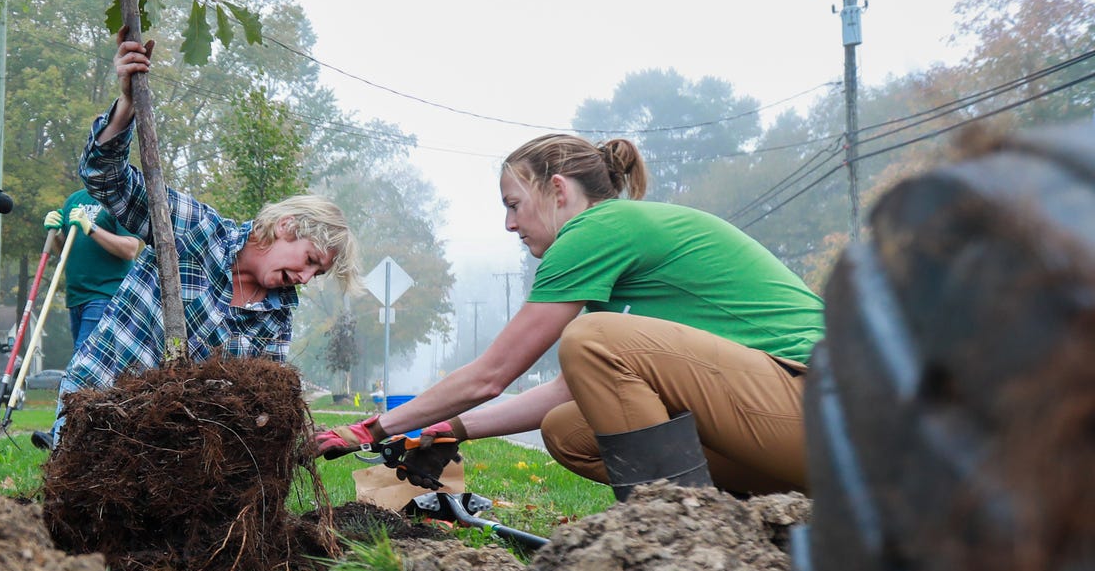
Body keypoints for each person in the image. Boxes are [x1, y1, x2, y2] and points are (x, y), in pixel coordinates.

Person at [315, 133, 824, 496]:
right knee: (570, 429)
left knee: (590, 337)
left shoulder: (598, 229)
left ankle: (677, 545)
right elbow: (570, 388)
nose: (509, 224)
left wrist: (369, 430)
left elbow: (492, 375)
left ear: (557, 190)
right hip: (799, 427)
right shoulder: (618, 252)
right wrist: (454, 428)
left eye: (514, 204)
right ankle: (734, 521)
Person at [46, 38, 361, 442]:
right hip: (93, 409)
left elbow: (257, 410)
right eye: (310, 260)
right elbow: (104, 179)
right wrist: (126, 106)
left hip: (165, 451)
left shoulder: (276, 316)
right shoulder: (197, 229)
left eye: (316, 273)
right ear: (287, 227)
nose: (305, 277)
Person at [52, 184, 141, 351]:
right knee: (92, 359)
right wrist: (55, 234)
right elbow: (64, 251)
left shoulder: (120, 200)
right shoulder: (73, 200)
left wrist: (91, 228)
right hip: (76, 297)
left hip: (107, 294)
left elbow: (130, 249)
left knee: (85, 357)